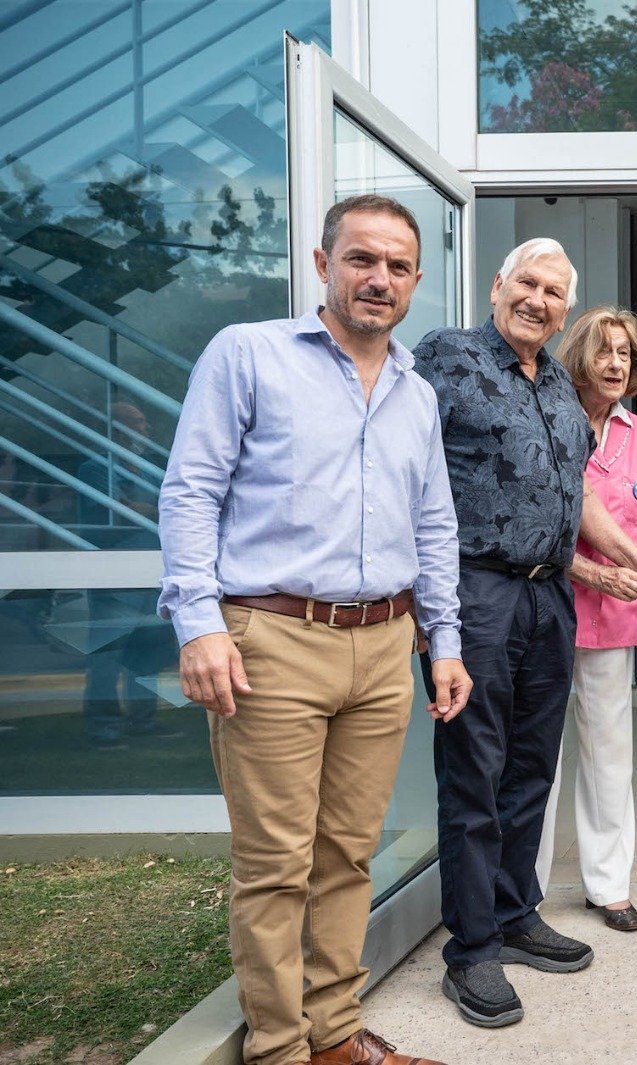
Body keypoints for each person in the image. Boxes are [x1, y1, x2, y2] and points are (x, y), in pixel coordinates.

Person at [159, 194, 469, 1065]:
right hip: (271, 640)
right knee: (275, 865)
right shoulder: (248, 355)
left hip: (382, 646)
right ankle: (279, 1048)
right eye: (361, 259)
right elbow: (191, 491)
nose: (379, 279)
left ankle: (334, 1034)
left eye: (398, 266)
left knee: (346, 858)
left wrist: (443, 641)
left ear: (415, 280)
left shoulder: (416, 393)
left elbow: (433, 524)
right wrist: (198, 623)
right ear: (322, 262)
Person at [414, 239, 637, 1028]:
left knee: (532, 765)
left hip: (549, 599)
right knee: (476, 767)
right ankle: (470, 950)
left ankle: (513, 912)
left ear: (564, 308)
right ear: (498, 284)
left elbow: (581, 503)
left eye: (553, 291)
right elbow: (400, 460)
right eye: (527, 283)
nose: (538, 299)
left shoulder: (564, 397)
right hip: (480, 591)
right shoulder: (448, 358)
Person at [535, 305, 637, 933]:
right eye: (603, 350)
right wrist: (600, 571)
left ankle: (609, 885)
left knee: (610, 753)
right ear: (578, 353)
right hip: (547, 604)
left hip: (615, 616)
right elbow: (551, 521)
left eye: (625, 353)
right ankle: (524, 889)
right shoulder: (549, 419)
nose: (613, 363)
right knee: (538, 754)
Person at [79, 400, 178, 748]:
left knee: (146, 653)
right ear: (116, 427)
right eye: (138, 422)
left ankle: (142, 723)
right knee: (107, 656)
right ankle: (102, 730)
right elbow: (117, 514)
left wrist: (146, 509)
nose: (146, 429)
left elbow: (167, 508)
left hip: (152, 570)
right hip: (115, 576)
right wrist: (151, 510)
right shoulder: (95, 468)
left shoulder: (147, 469)